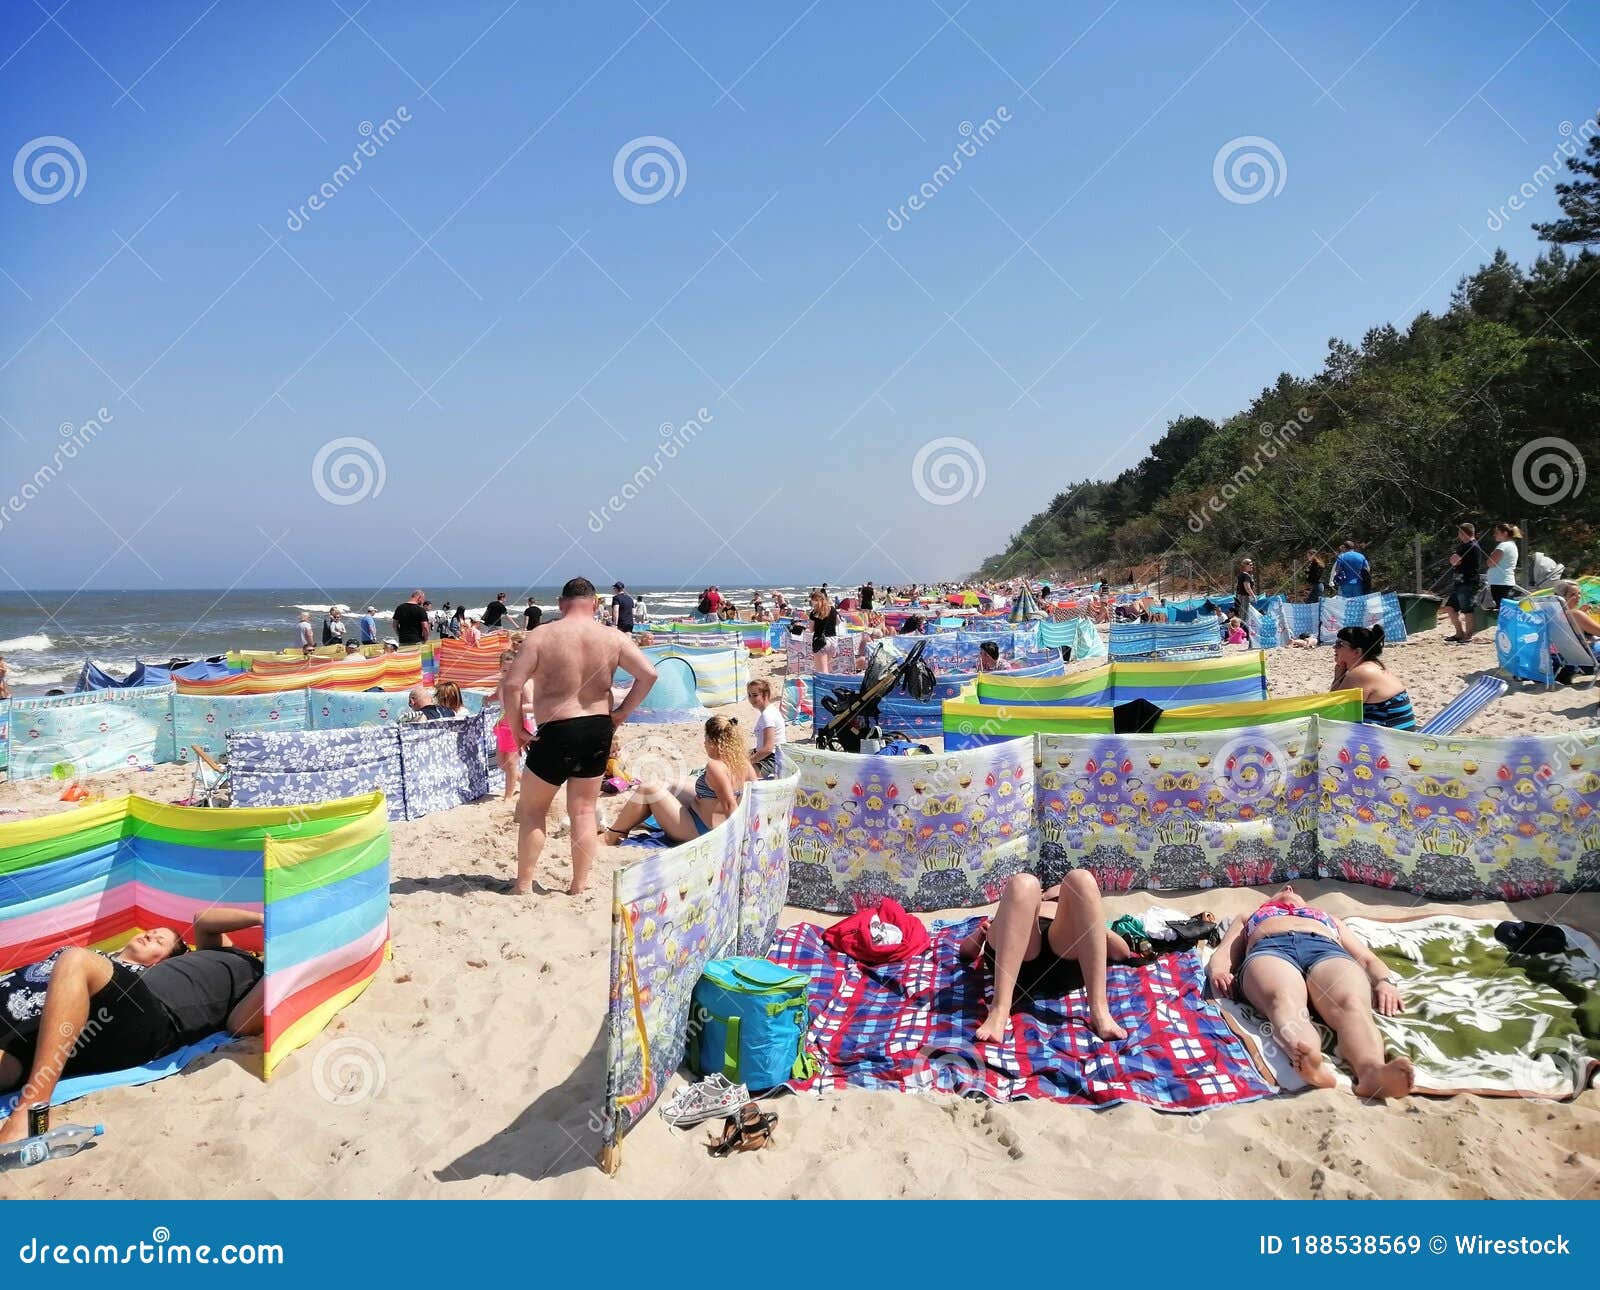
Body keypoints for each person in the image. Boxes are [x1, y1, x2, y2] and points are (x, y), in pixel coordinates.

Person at [0, 910, 266, 1143]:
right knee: (15, 1053)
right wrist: (261, 918)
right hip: (111, 1009)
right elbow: (203, 919)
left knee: (77, 960)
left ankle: (32, 1110)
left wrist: (273, 972)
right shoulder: (222, 949)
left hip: (155, 1020)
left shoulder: (263, 980)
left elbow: (239, 1025)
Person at [501, 577, 658, 895]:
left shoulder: (541, 636)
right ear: (595, 603)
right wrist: (623, 712)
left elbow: (512, 685)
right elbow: (649, 674)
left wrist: (517, 727)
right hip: (598, 727)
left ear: (561, 603)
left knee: (533, 810)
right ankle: (578, 885)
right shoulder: (612, 636)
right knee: (584, 812)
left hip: (557, 728)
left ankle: (523, 885)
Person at [1207, 884, 1413, 1098]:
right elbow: (1224, 952)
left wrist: (1384, 981)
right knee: (1282, 999)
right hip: (1270, 948)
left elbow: (1368, 958)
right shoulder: (1250, 916)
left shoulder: (1329, 919)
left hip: (1326, 949)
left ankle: (1372, 1072)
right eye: (1282, 889)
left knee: (1352, 1002)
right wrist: (1219, 970)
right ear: (1266, 903)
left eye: (1295, 889)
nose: (1289, 888)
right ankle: (1310, 1061)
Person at [957, 872, 1131, 1044]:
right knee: (1024, 883)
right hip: (1016, 956)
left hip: (1064, 957)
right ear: (1042, 895)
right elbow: (966, 953)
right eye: (1050, 892)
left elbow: (1123, 953)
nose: (1055, 892)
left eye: (1060, 894)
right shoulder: (1020, 904)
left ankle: (1100, 1011)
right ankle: (999, 1011)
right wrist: (981, 932)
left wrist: (1097, 927)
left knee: (1080, 879)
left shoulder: (1079, 909)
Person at [601, 716, 757, 845]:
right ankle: (632, 809)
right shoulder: (744, 764)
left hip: (700, 830)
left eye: (705, 740)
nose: (703, 744)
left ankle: (613, 835)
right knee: (668, 782)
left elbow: (730, 804)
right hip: (708, 818)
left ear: (713, 743)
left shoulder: (716, 767)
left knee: (648, 788)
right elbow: (756, 795)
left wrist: (738, 841)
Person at [1331, 624, 1415, 730]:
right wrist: (1338, 677)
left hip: (1391, 742)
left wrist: (1337, 679)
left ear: (1357, 652)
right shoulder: (1375, 666)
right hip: (1399, 736)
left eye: (1339, 644)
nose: (1334, 647)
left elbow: (1334, 714)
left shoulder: (1361, 673)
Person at [1444, 522, 1485, 644]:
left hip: (1468, 582)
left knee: (1467, 609)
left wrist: (1454, 559)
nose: (1458, 536)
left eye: (1459, 533)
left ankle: (1468, 635)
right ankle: (1459, 633)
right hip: (1459, 582)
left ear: (1463, 533)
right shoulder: (1465, 546)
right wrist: (1454, 560)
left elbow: (1454, 561)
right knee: (1450, 607)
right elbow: (1453, 560)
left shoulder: (1470, 546)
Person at [1554, 580, 1600, 684]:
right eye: (1573, 594)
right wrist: (1582, 616)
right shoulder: (1576, 615)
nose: (1578, 597)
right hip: (1589, 660)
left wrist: (1582, 614)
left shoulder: (1554, 615)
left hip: (1568, 659)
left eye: (1579, 593)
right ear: (1562, 597)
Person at [747, 679, 786, 777]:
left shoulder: (767, 716)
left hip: (772, 760)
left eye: (755, 695)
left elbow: (768, 748)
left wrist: (747, 762)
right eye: (749, 695)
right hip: (769, 756)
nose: (751, 699)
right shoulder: (769, 711)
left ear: (765, 695)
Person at [1485, 522, 1522, 608]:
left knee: (1502, 611)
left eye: (1497, 533)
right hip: (1505, 583)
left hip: (1500, 583)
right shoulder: (1512, 545)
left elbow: (1490, 563)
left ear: (1505, 534)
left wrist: (1489, 558)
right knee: (1506, 610)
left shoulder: (1503, 545)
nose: (1494, 535)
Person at [807, 588, 838, 672]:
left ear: (815, 600)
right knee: (826, 667)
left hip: (821, 641)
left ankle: (825, 684)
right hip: (833, 640)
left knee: (822, 671)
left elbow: (811, 629)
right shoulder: (833, 609)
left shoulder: (814, 613)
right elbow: (838, 622)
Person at [1234, 558, 1256, 643]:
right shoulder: (1246, 575)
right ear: (1245, 566)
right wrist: (1253, 596)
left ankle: (1238, 634)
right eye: (1250, 565)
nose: (1252, 566)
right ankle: (1243, 635)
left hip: (1238, 596)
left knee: (1240, 616)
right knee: (1244, 617)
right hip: (1244, 597)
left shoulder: (1240, 575)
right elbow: (1247, 587)